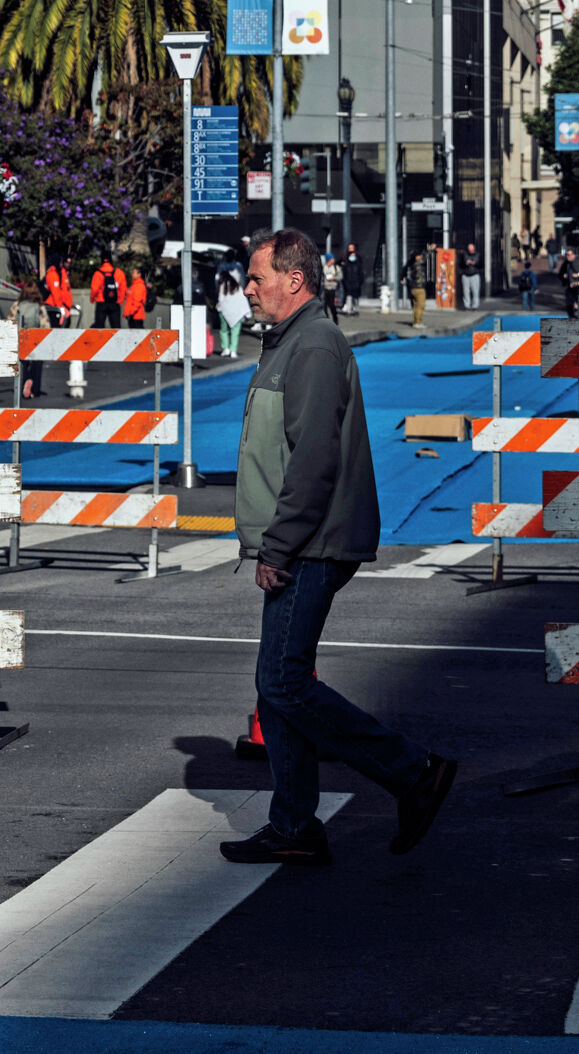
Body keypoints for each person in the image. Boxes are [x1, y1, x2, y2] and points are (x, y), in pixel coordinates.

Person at [221, 228, 456, 867]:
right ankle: (295, 823)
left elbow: (315, 459)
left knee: (283, 681)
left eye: (257, 276)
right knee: (278, 686)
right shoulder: (289, 343)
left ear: (293, 280)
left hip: (312, 541)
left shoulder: (315, 346)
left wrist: (279, 546)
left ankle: (413, 772)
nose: (248, 288)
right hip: (302, 537)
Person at [216, 270, 251, 357]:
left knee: (224, 331)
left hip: (224, 311)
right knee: (235, 332)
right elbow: (242, 300)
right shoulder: (237, 286)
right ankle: (233, 351)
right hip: (236, 313)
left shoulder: (222, 285)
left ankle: (225, 348)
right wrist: (248, 313)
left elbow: (220, 298)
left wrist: (219, 307)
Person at [89, 257, 124, 329]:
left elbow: (94, 289)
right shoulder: (119, 273)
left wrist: (92, 299)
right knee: (116, 328)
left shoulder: (98, 273)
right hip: (115, 303)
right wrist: (119, 302)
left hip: (101, 302)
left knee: (99, 327)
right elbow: (123, 289)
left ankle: (100, 340)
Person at [43, 257, 75, 329]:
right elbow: (55, 293)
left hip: (59, 306)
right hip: (53, 306)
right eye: (60, 262)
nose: (62, 264)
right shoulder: (53, 274)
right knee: (56, 327)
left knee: (62, 326)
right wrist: (60, 307)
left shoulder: (59, 273)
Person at [404, 246, 430, 327]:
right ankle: (418, 322)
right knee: (421, 305)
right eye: (419, 255)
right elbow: (425, 259)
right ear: (416, 257)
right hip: (419, 287)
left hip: (413, 287)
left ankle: (416, 321)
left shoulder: (410, 264)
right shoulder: (417, 264)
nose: (421, 257)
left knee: (416, 306)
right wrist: (428, 251)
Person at [121, 264, 150, 329]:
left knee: (137, 335)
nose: (132, 275)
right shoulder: (134, 286)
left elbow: (137, 302)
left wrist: (131, 313)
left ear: (139, 274)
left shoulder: (139, 286)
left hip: (136, 316)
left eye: (134, 273)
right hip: (133, 316)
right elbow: (128, 294)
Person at [341, 243, 364, 315]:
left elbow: (361, 274)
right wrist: (345, 282)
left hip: (356, 283)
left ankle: (354, 309)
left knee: (355, 297)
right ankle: (348, 309)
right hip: (348, 283)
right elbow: (344, 274)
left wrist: (359, 282)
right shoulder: (346, 263)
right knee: (348, 297)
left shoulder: (358, 263)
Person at [321, 252, 343, 324]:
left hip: (333, 289)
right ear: (329, 260)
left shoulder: (336, 268)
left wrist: (334, 278)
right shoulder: (323, 268)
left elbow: (340, 277)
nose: (333, 260)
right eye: (332, 258)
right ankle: (326, 320)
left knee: (332, 305)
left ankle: (335, 319)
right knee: (324, 305)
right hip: (325, 288)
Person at [460, 241, 482, 311]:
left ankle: (475, 306)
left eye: (472, 249)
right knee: (466, 291)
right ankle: (467, 305)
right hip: (465, 274)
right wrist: (465, 263)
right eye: (469, 249)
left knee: (475, 291)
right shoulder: (464, 255)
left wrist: (474, 263)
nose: (471, 250)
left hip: (474, 274)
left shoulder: (478, 255)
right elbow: (460, 264)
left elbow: (481, 265)